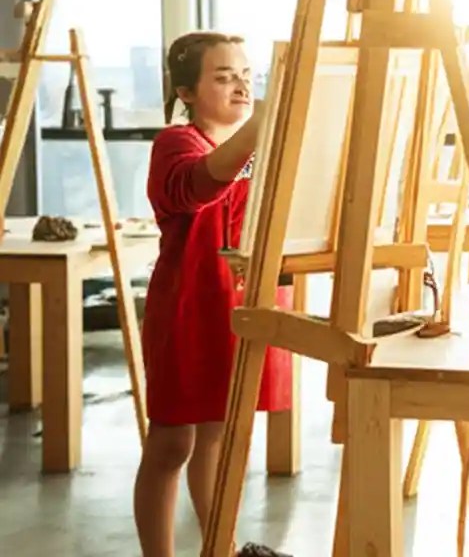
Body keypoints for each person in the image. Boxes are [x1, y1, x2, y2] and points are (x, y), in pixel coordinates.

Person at [133, 31, 293, 557]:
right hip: (187, 307)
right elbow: (200, 185)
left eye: (246, 76)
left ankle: (219, 547)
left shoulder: (254, 144)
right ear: (186, 92)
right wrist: (256, 132)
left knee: (220, 438)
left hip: (236, 305)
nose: (240, 87)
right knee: (172, 440)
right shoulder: (177, 143)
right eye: (224, 77)